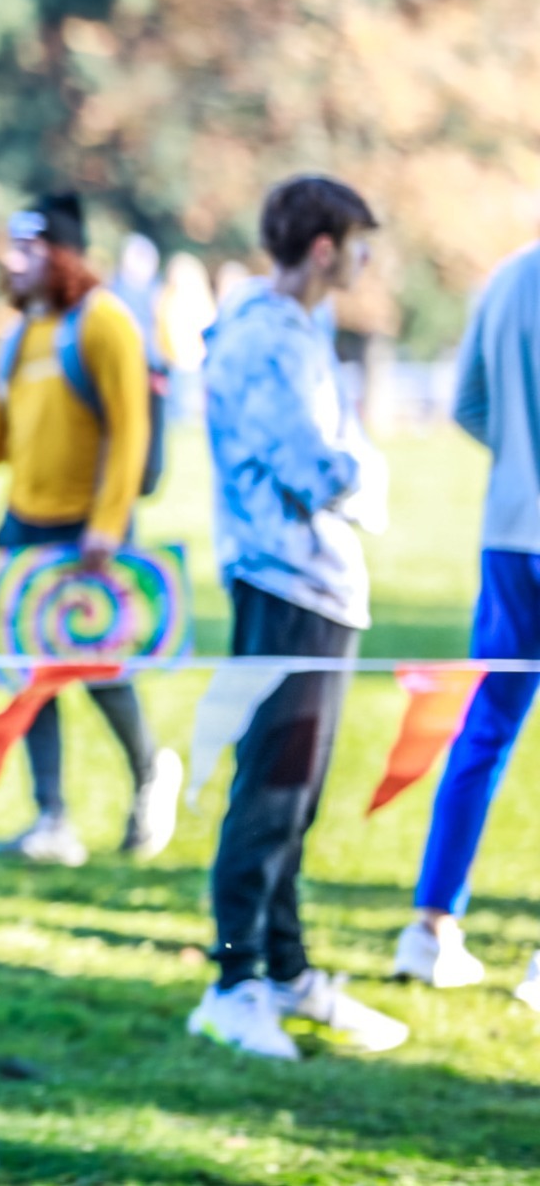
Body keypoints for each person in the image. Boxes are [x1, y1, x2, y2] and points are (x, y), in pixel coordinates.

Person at [188, 174, 407, 1060]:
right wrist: (368, 473)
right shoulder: (266, 336)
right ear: (325, 246)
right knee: (271, 790)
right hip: (285, 584)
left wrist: (355, 464)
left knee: (299, 794)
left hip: (317, 585)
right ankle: (232, 981)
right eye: (359, 243)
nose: (364, 260)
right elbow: (315, 465)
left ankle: (284, 969)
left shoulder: (299, 332)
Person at [0, 193, 183, 866]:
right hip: (24, 524)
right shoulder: (11, 337)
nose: (14, 264)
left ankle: (149, 773)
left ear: (63, 253)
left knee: (100, 666)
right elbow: (0, 442)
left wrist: (108, 525)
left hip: (90, 527)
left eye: (30, 250)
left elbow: (130, 429)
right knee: (29, 673)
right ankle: (51, 818)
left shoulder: (105, 323)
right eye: (11, 250)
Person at [393, 240, 540, 1009]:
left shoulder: (510, 274)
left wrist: (521, 459)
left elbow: (469, 404)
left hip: (512, 533)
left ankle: (431, 922)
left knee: (482, 730)